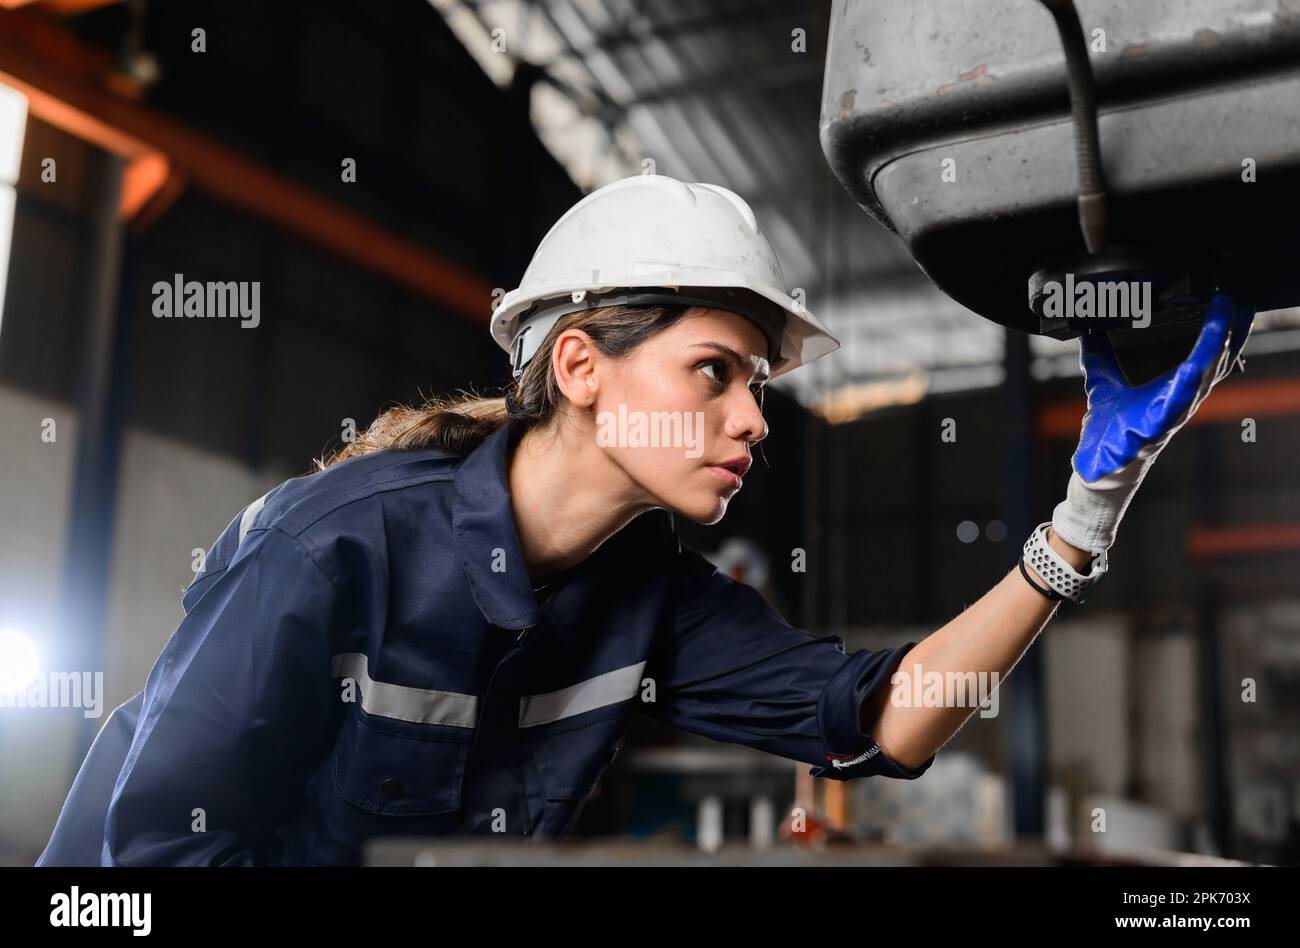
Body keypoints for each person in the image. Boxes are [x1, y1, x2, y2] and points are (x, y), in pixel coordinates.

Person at [36, 174, 1254, 865]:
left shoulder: (650, 595)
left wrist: (1086, 510)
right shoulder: (330, 549)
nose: (752, 420)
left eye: (758, 387)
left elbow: (881, 722)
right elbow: (147, 861)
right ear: (579, 367)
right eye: (712, 372)